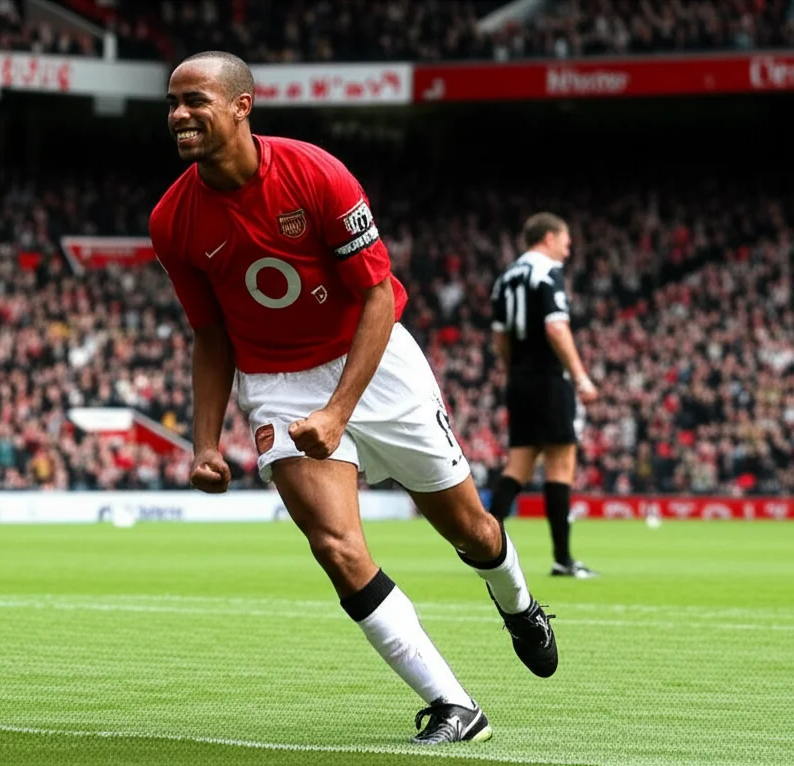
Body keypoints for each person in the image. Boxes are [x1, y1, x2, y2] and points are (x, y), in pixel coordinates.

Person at [149, 51, 557, 745]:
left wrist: (340, 409)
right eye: (173, 102)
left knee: (472, 530)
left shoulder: (316, 173)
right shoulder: (172, 219)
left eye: (197, 100)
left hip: (375, 362)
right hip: (277, 383)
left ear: (243, 105)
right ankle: (455, 704)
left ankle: (517, 604)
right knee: (335, 546)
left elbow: (375, 295)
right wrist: (206, 444)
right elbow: (209, 334)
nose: (180, 114)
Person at [488, 213, 598, 578]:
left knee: (518, 464)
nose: (568, 250)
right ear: (549, 237)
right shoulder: (547, 272)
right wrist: (580, 377)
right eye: (566, 241)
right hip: (550, 378)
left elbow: (500, 338)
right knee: (560, 462)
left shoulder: (506, 277)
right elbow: (555, 326)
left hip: (519, 378)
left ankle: (478, 542)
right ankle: (563, 559)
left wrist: (513, 369)